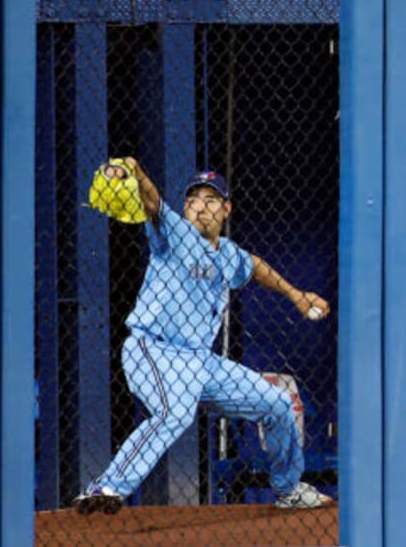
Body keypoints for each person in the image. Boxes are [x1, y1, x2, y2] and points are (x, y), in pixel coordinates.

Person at [74, 159, 333, 514]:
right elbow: (152, 204)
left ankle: (288, 489)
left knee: (276, 404)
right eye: (194, 199)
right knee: (174, 413)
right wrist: (134, 172)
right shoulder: (175, 233)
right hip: (154, 349)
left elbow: (254, 266)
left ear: (226, 209)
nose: (201, 206)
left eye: (211, 200)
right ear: (185, 208)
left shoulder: (227, 254)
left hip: (201, 363)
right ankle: (106, 487)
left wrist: (297, 295)